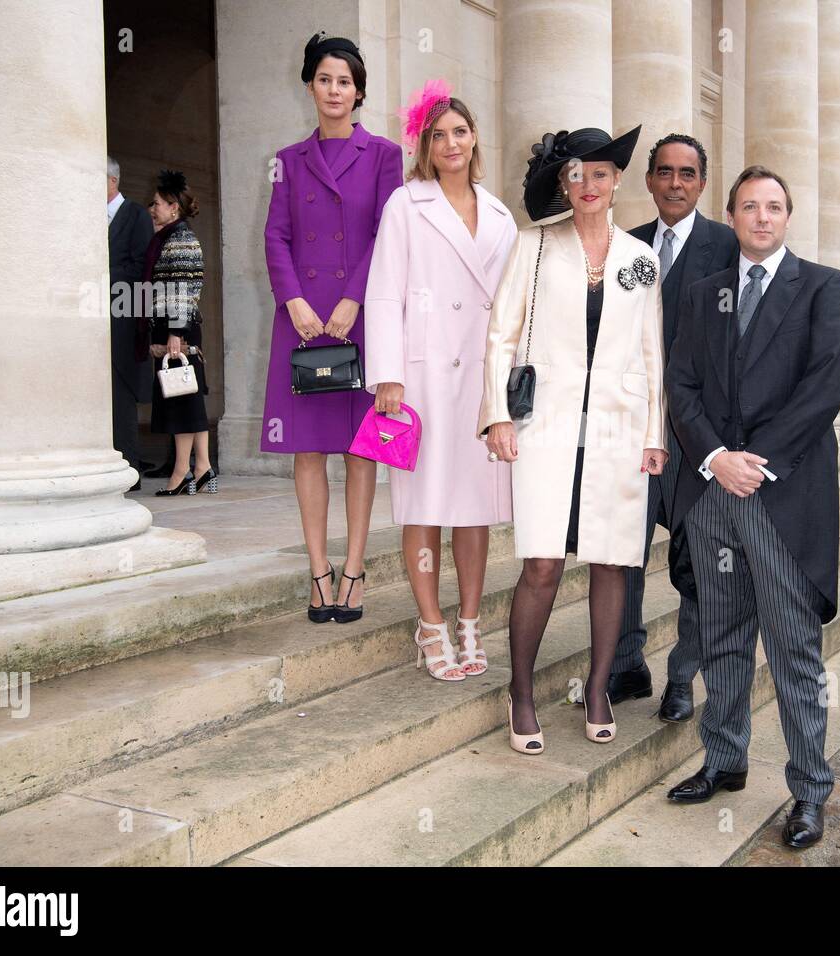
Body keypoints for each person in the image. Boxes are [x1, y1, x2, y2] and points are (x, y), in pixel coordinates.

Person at [664, 165, 840, 850]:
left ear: (788, 215)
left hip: (783, 496)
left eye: (774, 206)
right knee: (722, 636)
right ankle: (724, 759)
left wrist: (756, 462)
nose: (762, 217)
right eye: (750, 206)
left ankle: (809, 790)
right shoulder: (704, 292)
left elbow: (825, 385)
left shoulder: (823, 288)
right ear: (734, 214)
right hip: (713, 493)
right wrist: (716, 458)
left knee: (793, 648)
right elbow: (680, 383)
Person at [478, 125, 667, 755]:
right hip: (547, 426)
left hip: (616, 428)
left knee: (612, 560)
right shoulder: (533, 247)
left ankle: (596, 688)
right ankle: (522, 692)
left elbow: (651, 351)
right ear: (566, 182)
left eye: (602, 173)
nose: (589, 184)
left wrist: (652, 433)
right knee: (541, 564)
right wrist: (497, 415)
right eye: (578, 174)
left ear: (617, 183)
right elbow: (502, 335)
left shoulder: (640, 258)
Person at [365, 81, 517, 681]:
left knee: (475, 510)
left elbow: (510, 309)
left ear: (474, 137)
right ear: (424, 146)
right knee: (424, 506)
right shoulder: (406, 205)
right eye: (437, 134)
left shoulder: (502, 215)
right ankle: (430, 623)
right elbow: (384, 292)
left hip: (482, 383)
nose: (450, 142)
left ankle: (471, 620)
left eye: (459, 131)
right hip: (425, 380)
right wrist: (388, 375)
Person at [262, 33, 403, 624]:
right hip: (301, 319)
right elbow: (276, 236)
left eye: (344, 80)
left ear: (359, 90)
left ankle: (354, 568)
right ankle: (318, 572)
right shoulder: (287, 160)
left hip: (360, 315)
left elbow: (385, 234)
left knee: (359, 450)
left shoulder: (385, 155)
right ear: (310, 87)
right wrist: (293, 300)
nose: (334, 89)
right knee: (309, 449)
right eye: (324, 79)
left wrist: (353, 300)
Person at [614, 133, 738, 722]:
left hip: (699, 437)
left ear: (702, 184)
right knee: (622, 551)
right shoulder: (626, 247)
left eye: (686, 173)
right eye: (664, 172)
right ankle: (624, 664)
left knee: (696, 566)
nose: (674, 183)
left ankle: (682, 677)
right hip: (634, 432)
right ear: (649, 180)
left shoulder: (729, 246)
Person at [145, 168, 215, 498]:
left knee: (180, 403)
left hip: (178, 330)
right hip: (179, 328)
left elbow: (183, 288)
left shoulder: (180, 238)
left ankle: (181, 472)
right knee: (190, 400)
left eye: (156, 203)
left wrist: (175, 331)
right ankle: (202, 468)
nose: (151, 207)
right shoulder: (173, 236)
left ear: (173, 207)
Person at [107, 156, 154, 490]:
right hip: (89, 316)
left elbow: (141, 266)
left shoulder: (135, 215)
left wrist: (98, 276)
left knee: (121, 391)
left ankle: (130, 467)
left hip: (123, 314)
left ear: (112, 181)